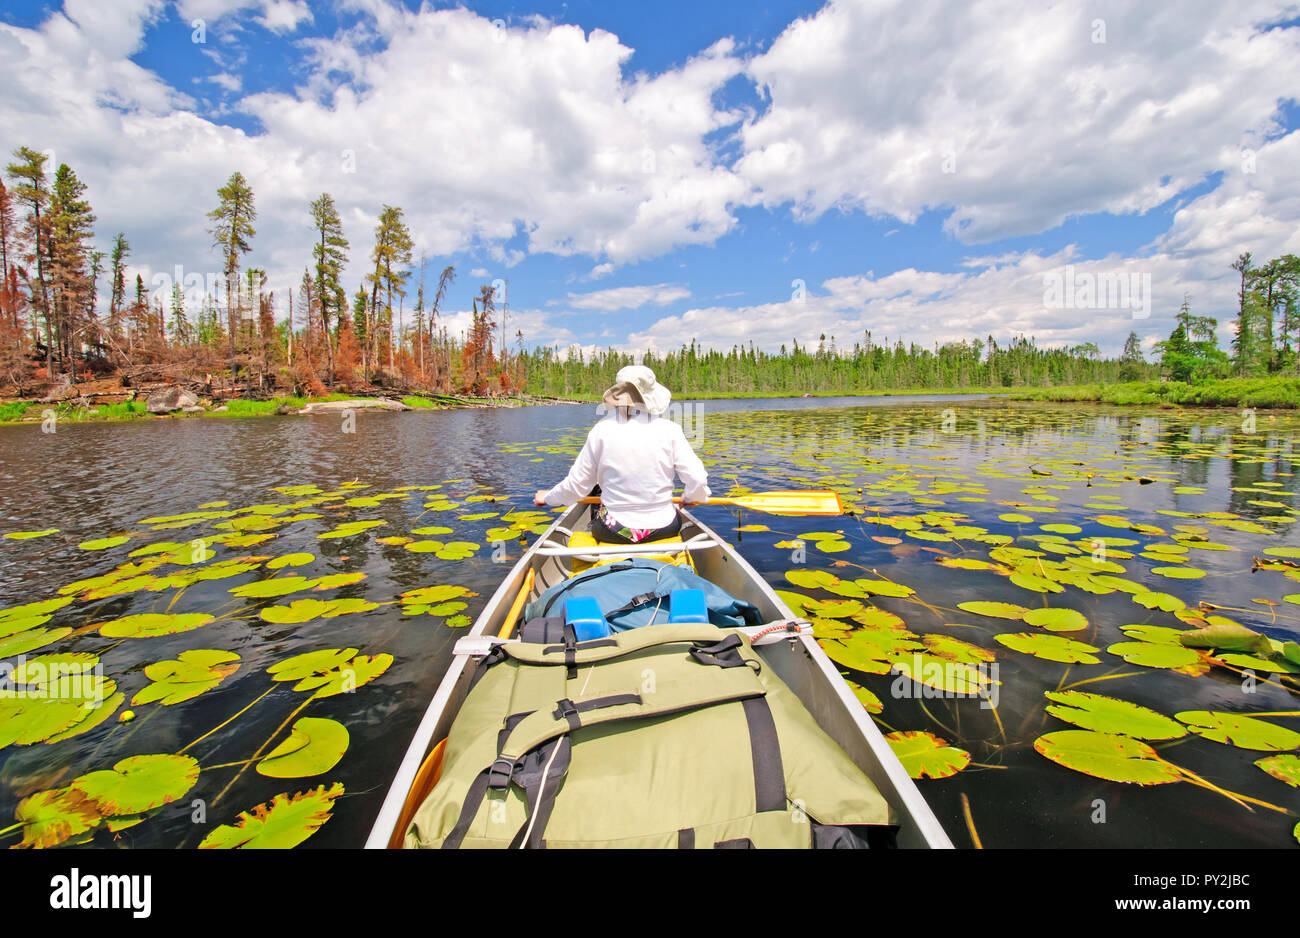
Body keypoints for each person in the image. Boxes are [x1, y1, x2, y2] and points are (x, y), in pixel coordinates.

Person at [534, 365, 710, 544]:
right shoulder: (671, 430)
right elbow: (697, 479)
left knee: (598, 498)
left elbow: (576, 487)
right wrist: (690, 497)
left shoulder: (601, 430)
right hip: (663, 528)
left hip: (615, 530)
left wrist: (547, 497)